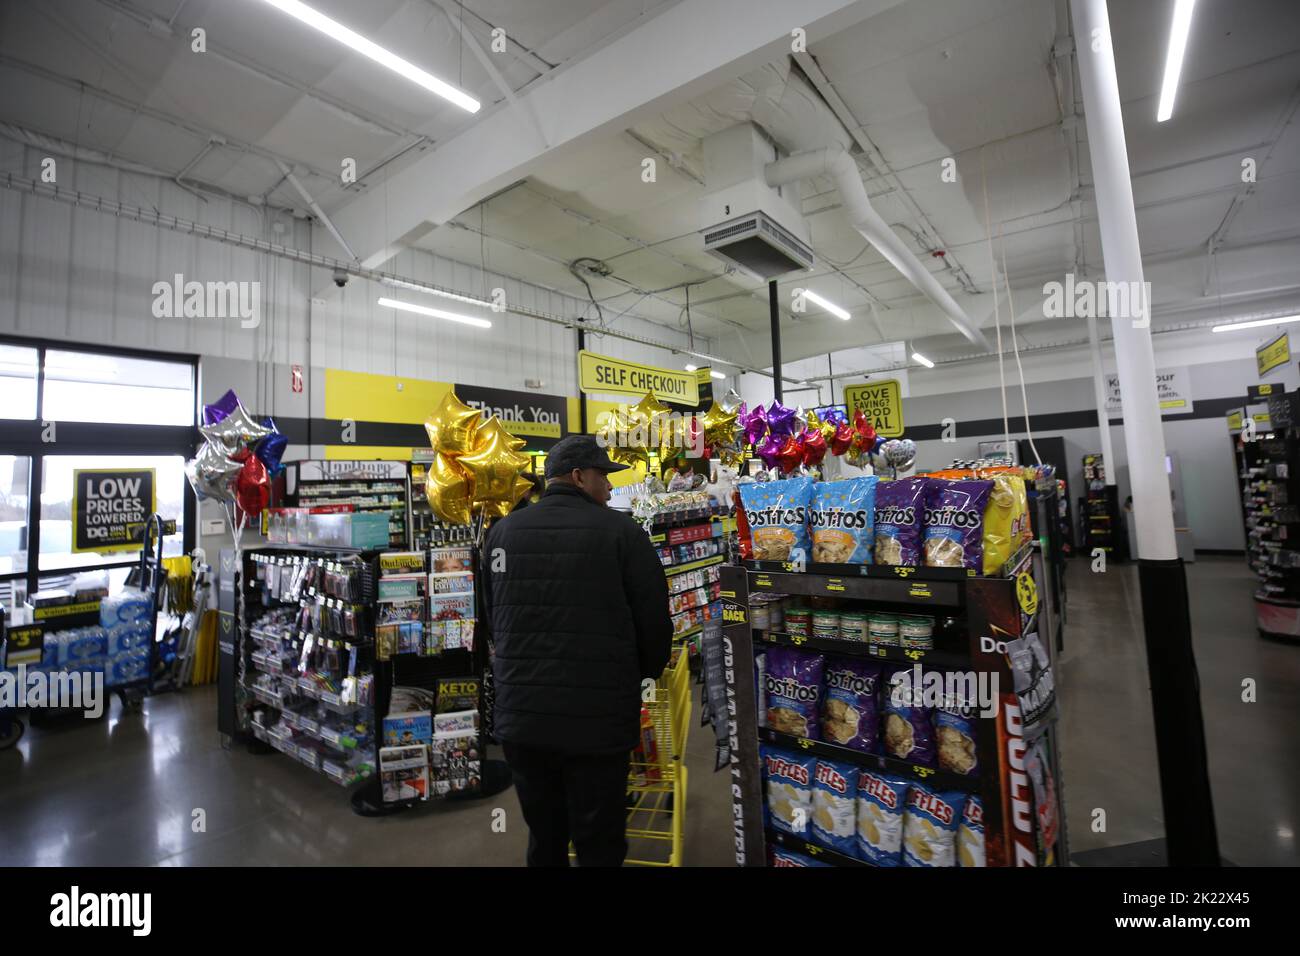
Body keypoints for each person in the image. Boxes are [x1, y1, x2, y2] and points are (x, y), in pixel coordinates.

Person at [481, 434, 672, 866]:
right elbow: (654, 622)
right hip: (597, 719)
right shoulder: (622, 533)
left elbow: (493, 618)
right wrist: (640, 675)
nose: (609, 488)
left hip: (523, 719)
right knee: (598, 838)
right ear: (579, 476)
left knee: (544, 836)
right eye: (603, 476)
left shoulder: (502, 533)